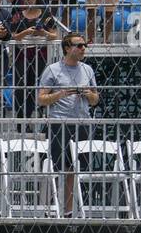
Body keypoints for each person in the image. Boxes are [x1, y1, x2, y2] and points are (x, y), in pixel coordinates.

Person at [38, 33, 100, 217]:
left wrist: (87, 94)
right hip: (60, 123)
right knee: (59, 167)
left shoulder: (87, 70)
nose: (83, 49)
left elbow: (96, 99)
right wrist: (61, 94)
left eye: (84, 46)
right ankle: (50, 207)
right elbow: (41, 99)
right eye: (79, 45)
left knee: (75, 168)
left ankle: (68, 209)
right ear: (67, 48)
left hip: (82, 123)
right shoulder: (53, 70)